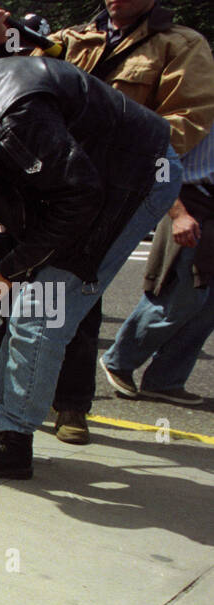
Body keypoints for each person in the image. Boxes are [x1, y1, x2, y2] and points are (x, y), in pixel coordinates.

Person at [0, 57, 183, 478]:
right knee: (27, 305)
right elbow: (22, 166)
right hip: (90, 182)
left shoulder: (15, 117)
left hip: (130, 182)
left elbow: (80, 200)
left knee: (40, 314)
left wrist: (6, 269)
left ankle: (12, 441)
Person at [0, 0, 214, 443]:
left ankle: (69, 406)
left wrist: (112, 155)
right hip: (56, 184)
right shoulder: (73, 38)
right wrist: (0, 39)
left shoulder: (180, 45)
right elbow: (18, 84)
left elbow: (184, 124)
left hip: (116, 190)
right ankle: (2, 404)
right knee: (30, 298)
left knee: (77, 300)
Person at [101, 128, 214, 405]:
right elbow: (158, 156)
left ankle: (166, 380)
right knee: (181, 292)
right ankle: (120, 360)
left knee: (209, 305)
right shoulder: (197, 101)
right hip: (190, 199)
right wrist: (177, 212)